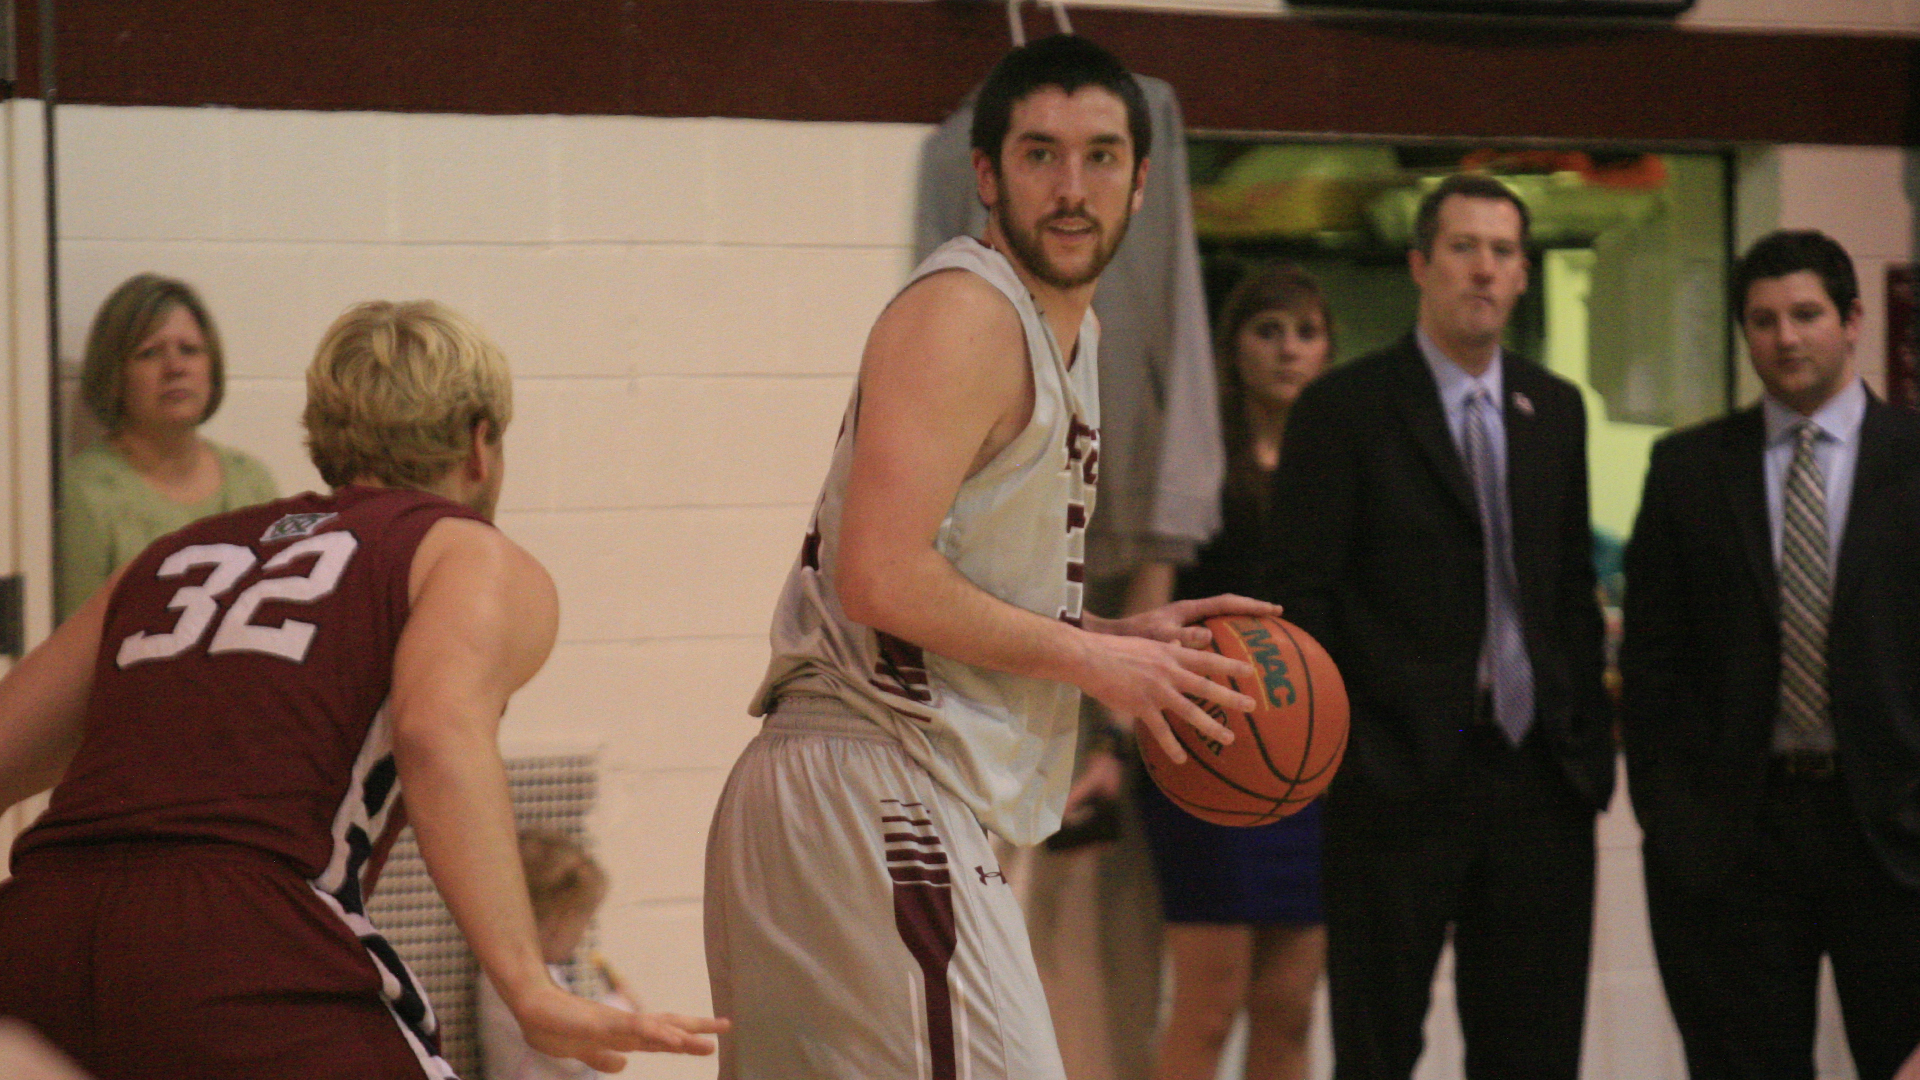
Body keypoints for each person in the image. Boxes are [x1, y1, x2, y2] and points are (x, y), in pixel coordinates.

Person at [704, 34, 1280, 1080]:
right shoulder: (968, 313)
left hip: (860, 789)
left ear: (1143, 183)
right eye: (1039, 155)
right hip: (871, 786)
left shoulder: (1075, 333)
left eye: (1101, 156)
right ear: (985, 173)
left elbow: (944, 585)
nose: (1072, 188)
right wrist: (1095, 664)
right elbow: (877, 575)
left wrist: (1112, 634)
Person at [0, 300, 724, 1078]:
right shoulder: (464, 551)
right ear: (481, 444)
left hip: (36, 935)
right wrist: (527, 984)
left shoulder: (170, 555)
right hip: (242, 938)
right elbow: (434, 730)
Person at [1270, 173, 1615, 1080]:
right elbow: (1302, 602)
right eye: (1464, 249)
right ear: (1421, 265)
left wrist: (1589, 747)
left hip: (1539, 779)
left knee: (1533, 1052)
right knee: (1380, 1049)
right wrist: (1346, 753)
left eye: (1503, 253)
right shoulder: (1344, 411)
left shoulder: (1556, 409)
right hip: (1396, 782)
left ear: (1525, 274)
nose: (1484, 271)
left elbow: (1571, 591)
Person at [1619, 229, 1920, 1080]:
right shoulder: (1686, 470)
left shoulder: (1914, 462)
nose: (1785, 338)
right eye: (1762, 320)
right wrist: (1672, 822)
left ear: (1853, 320)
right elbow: (1652, 666)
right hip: (1735, 840)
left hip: (1894, 836)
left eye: (1806, 315)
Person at [1137, 263, 1335, 1080]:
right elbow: (1150, 614)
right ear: (1233, 348)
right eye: (1269, 330)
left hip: (1310, 753)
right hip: (1211, 752)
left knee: (1289, 1006)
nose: (1289, 350)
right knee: (1210, 1002)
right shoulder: (1199, 469)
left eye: (1307, 332)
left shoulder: (1341, 466)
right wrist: (1120, 747)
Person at [58, 273, 278, 623]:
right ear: (115, 374)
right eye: (149, 353)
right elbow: (72, 650)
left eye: (189, 350)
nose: (175, 367)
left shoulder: (251, 480)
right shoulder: (83, 491)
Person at [480, 830, 635, 1080]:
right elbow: (574, 1049)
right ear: (558, 924)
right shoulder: (524, 980)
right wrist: (621, 1007)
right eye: (581, 923)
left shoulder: (508, 972)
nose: (582, 936)